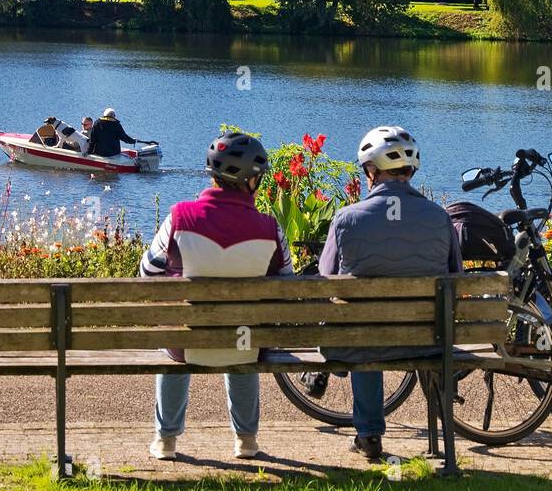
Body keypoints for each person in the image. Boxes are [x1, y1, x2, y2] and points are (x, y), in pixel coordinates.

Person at [140, 132, 293, 460]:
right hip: (246, 342)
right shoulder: (269, 227)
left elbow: (147, 274)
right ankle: (246, 441)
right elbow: (287, 286)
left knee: (175, 332)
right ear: (252, 180)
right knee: (245, 337)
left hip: (187, 345)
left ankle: (166, 441)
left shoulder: (180, 216)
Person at [318, 126, 461, 462]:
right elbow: (457, 278)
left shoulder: (345, 220)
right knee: (369, 329)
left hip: (362, 340)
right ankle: (445, 449)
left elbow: (325, 281)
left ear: (371, 170)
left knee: (363, 331)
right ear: (411, 171)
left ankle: (369, 435)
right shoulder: (440, 218)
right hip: (430, 341)